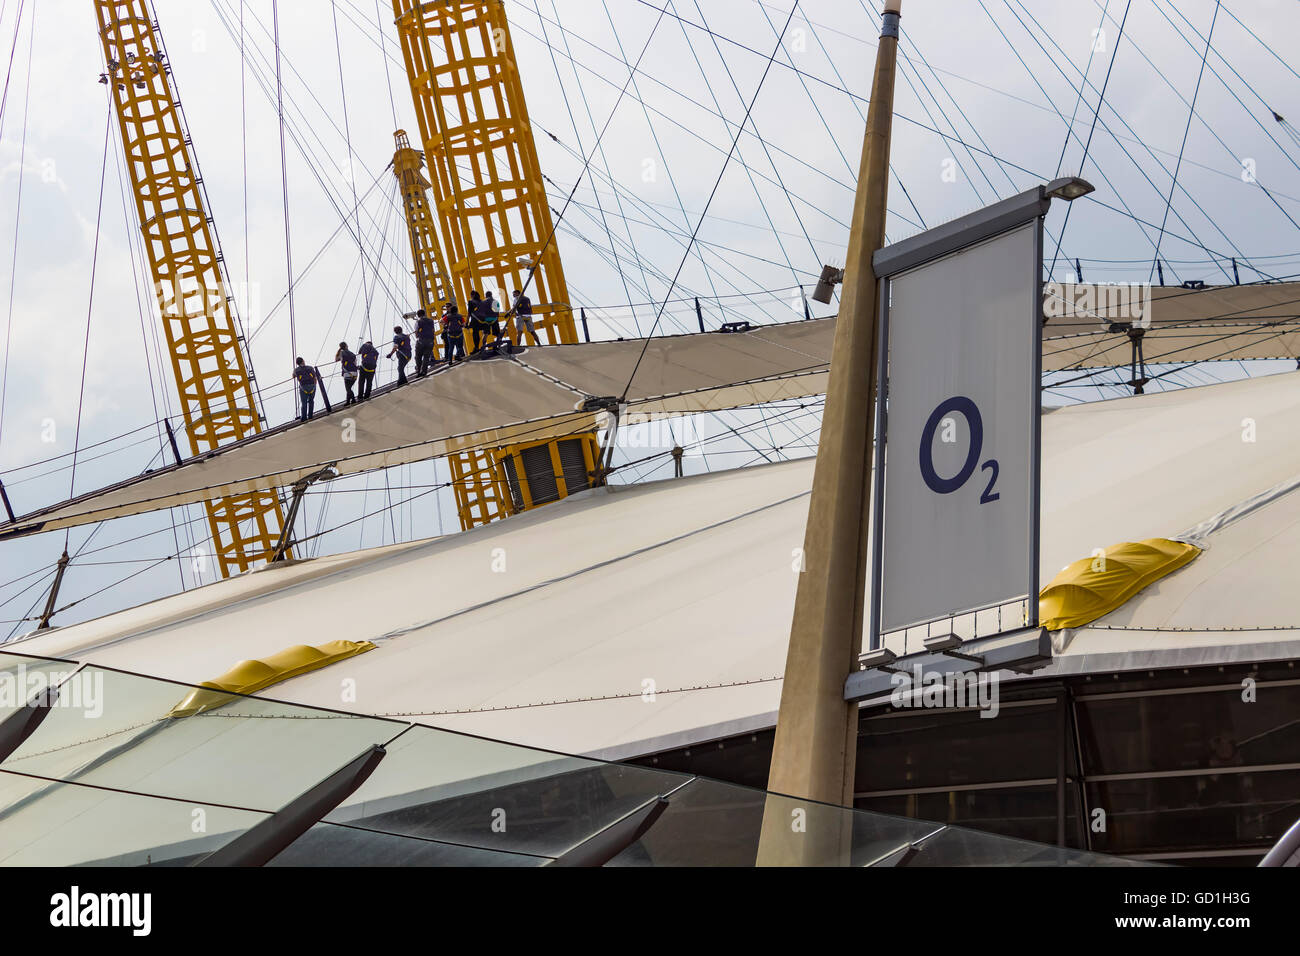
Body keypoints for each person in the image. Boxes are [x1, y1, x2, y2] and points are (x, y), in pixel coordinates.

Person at [414, 308, 438, 376]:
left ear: (418, 315)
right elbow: (433, 330)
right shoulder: (431, 320)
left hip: (421, 341)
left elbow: (416, 332)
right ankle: (424, 371)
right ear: (424, 314)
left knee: (418, 357)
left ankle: (419, 371)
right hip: (430, 340)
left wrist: (418, 337)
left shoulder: (418, 322)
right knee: (426, 357)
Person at [293, 357, 317, 421]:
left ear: (297, 363)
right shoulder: (310, 368)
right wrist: (314, 385)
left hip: (303, 388)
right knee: (311, 401)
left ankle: (304, 418)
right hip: (312, 386)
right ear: (303, 361)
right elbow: (315, 377)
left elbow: (293, 376)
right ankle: (310, 416)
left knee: (304, 403)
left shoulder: (296, 370)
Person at [336, 341, 358, 406]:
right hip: (354, 372)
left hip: (347, 372)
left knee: (348, 388)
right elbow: (355, 363)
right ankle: (348, 401)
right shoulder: (352, 354)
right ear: (346, 346)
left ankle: (353, 399)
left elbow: (336, 359)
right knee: (349, 388)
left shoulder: (341, 352)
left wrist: (339, 350)